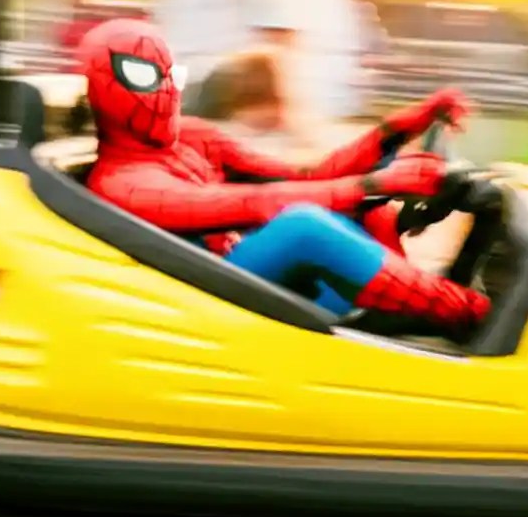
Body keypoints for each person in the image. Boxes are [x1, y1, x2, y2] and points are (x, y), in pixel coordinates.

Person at [82, 19, 489, 337]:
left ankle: (415, 322)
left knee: (373, 216)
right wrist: (372, 184)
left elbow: (308, 174)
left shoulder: (191, 137)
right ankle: (471, 315)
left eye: (170, 75)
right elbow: (254, 204)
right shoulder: (120, 181)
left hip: (243, 271)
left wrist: (398, 128)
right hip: (206, 297)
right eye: (145, 76)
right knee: (303, 227)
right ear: (105, 85)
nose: (166, 91)